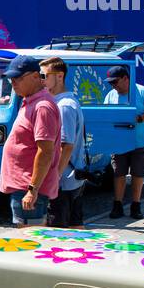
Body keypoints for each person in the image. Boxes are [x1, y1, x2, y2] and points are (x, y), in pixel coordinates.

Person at [0, 55, 61, 228]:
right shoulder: (30, 101)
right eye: (11, 79)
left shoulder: (42, 107)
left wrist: (32, 190)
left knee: (31, 244)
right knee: (28, 242)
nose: (13, 83)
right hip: (24, 188)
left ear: (35, 76)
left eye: (18, 78)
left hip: (29, 190)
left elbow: (46, 152)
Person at [105, 66, 144, 219]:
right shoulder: (111, 95)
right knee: (118, 174)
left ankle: (136, 205)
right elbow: (106, 115)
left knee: (138, 175)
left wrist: (140, 118)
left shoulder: (141, 91)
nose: (113, 86)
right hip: (119, 143)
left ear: (125, 78)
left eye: (115, 82)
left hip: (140, 142)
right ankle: (117, 205)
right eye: (110, 83)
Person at [40, 58, 86, 228]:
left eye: (44, 75)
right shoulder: (65, 102)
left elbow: (66, 146)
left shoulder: (64, 106)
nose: (41, 80)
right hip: (70, 178)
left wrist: (54, 177)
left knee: (58, 231)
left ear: (60, 76)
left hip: (63, 181)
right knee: (75, 225)